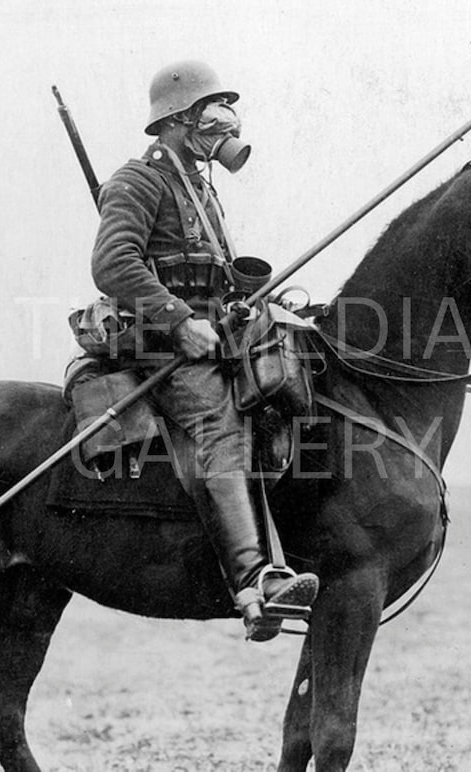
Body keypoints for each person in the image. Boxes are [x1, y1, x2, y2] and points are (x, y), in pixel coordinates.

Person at [87, 60, 319, 641]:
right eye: (210, 114)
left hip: (214, 337)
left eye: (225, 114)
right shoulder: (139, 181)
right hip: (159, 346)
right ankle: (252, 583)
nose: (223, 126)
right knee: (219, 422)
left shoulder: (199, 188)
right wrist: (179, 319)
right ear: (177, 121)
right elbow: (113, 265)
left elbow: (203, 274)